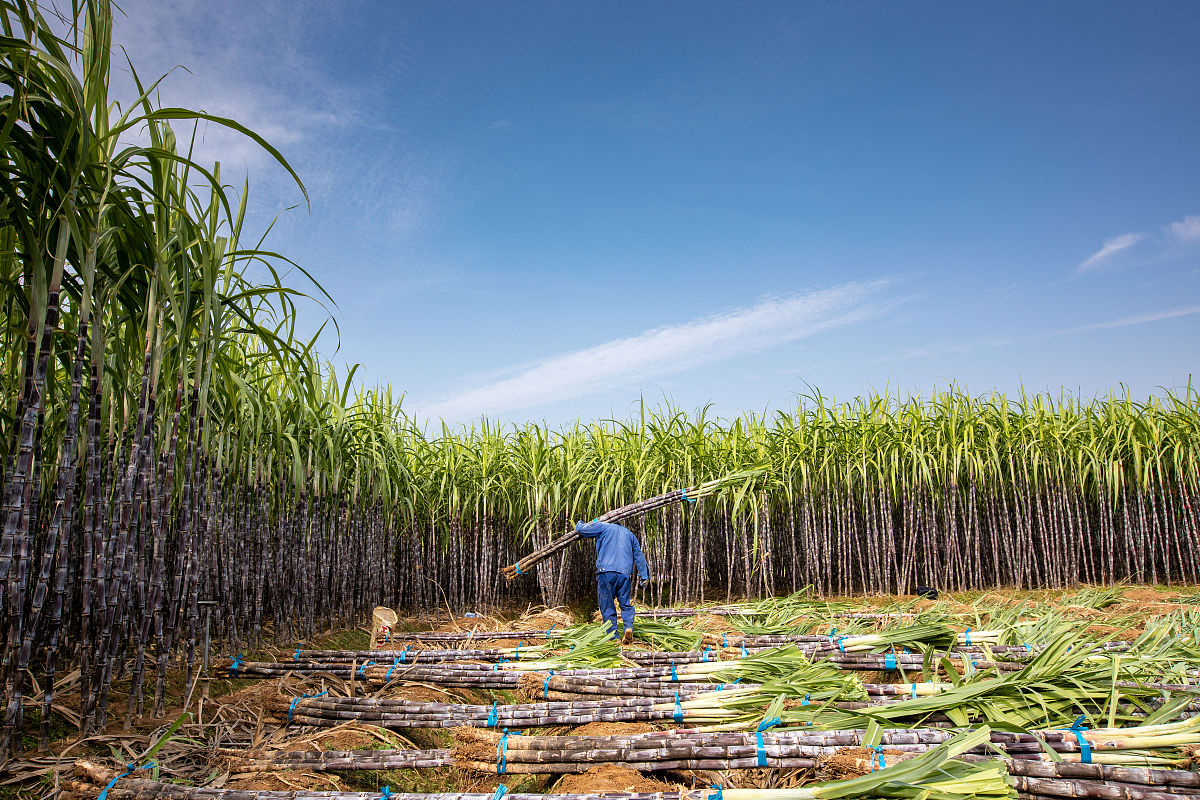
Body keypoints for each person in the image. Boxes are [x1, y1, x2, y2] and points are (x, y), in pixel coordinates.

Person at [574, 519, 650, 643]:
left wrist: (581, 523)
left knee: (607, 605)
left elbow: (582, 530)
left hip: (606, 572)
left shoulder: (603, 527)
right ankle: (628, 627)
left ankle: (613, 637)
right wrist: (644, 576)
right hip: (624, 573)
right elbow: (639, 556)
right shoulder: (629, 534)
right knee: (625, 604)